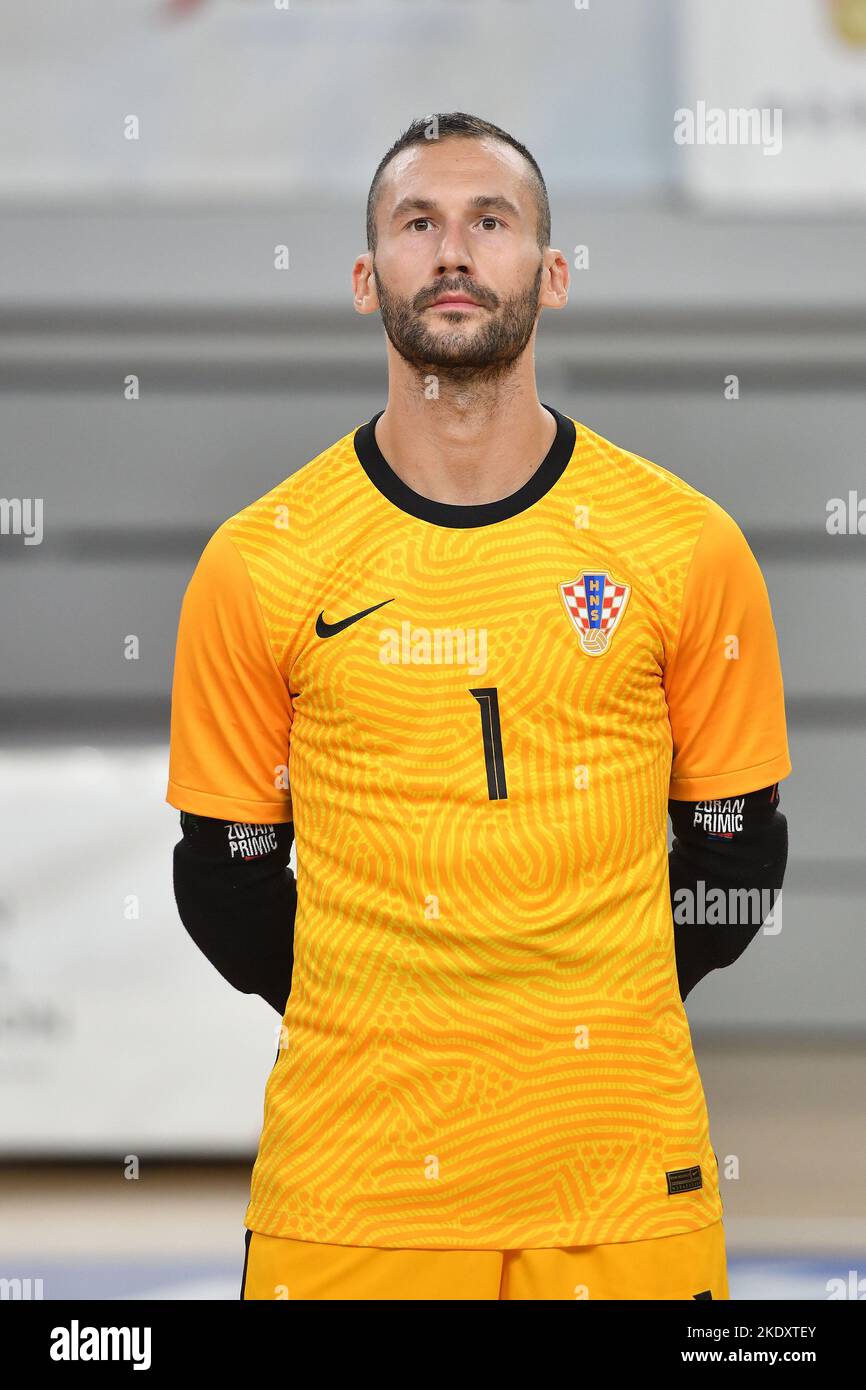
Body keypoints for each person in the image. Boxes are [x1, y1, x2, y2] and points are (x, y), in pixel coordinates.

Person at [166, 112, 790, 1301]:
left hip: (621, 1179)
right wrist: (399, 1011)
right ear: (366, 280)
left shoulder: (685, 544)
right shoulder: (257, 563)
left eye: (489, 222)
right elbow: (225, 882)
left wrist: (577, 1002)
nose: (453, 252)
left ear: (549, 277)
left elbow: (737, 855)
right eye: (418, 224)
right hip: (351, 1193)